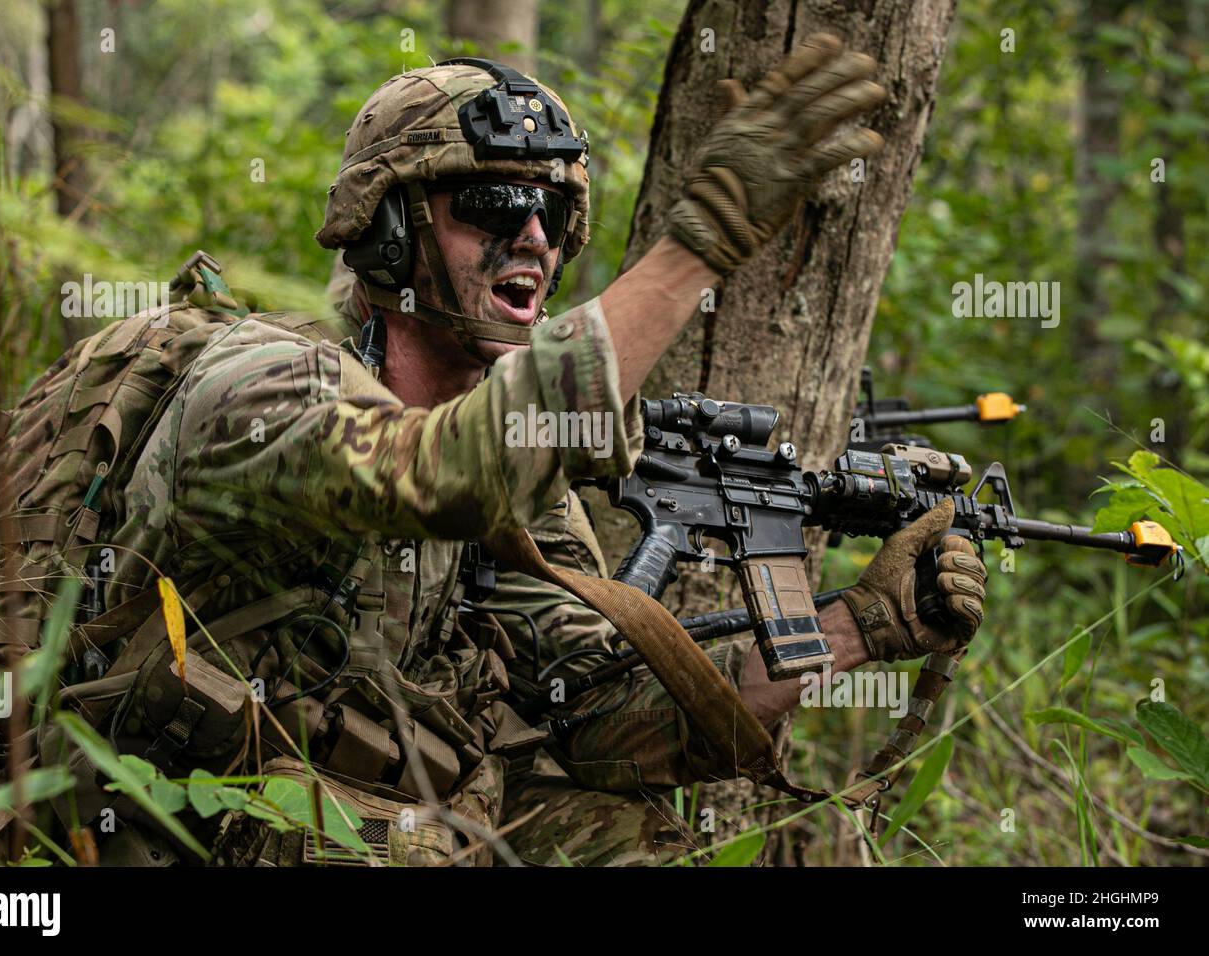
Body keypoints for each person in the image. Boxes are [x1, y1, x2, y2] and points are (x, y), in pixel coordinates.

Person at [100, 36, 988, 866]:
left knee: (642, 845)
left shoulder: (510, 459)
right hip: (168, 821)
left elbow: (601, 719)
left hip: (362, 819)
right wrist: (698, 245)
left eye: (553, 212)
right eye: (490, 204)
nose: (531, 236)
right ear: (388, 230)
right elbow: (439, 474)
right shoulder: (267, 383)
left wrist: (858, 626)